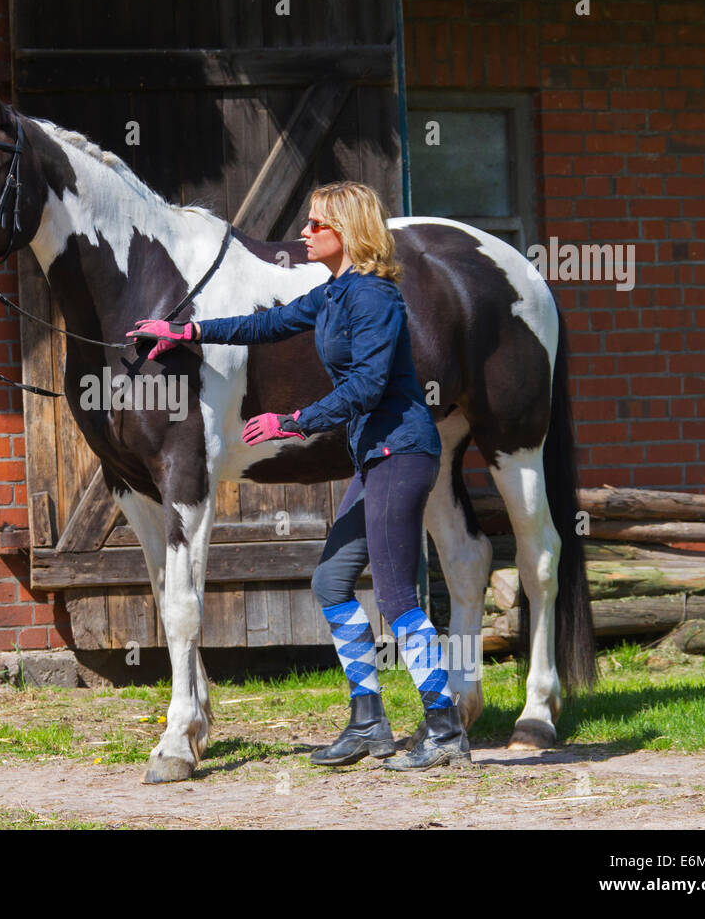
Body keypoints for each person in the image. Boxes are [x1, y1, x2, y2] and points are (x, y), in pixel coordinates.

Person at [126, 181, 471, 770]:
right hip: (373, 458)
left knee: (394, 596)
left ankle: (444, 729)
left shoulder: (377, 299)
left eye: (317, 225)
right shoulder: (333, 292)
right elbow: (268, 325)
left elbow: (367, 386)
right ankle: (369, 721)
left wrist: (293, 422)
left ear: (350, 233)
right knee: (332, 583)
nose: (304, 234)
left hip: (403, 454)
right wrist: (187, 332)